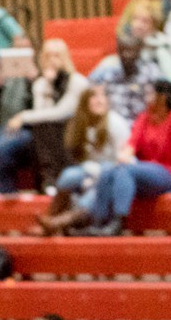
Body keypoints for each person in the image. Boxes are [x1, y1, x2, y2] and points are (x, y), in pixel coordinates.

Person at [79, 80, 171, 236]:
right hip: (149, 172)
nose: (146, 98)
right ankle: (99, 221)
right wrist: (124, 155)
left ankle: (119, 222)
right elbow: (132, 144)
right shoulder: (145, 118)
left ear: (162, 97)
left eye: (150, 94)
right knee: (108, 171)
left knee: (125, 171)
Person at [0, 38, 84, 197]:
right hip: (5, 127)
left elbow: (45, 115)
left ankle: (6, 194)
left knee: (1, 147)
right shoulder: (9, 77)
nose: (52, 60)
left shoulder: (45, 79)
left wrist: (35, 80)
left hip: (32, 132)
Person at [39, 84, 132, 234]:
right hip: (89, 169)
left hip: (111, 172)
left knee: (91, 193)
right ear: (85, 101)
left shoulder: (115, 123)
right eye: (94, 96)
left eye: (103, 96)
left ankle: (58, 222)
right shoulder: (80, 124)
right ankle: (51, 216)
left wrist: (95, 179)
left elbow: (125, 158)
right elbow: (79, 156)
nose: (99, 100)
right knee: (68, 176)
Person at [90, 0, 171, 121]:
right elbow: (91, 85)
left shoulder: (162, 50)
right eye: (135, 19)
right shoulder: (112, 62)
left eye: (145, 21)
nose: (138, 25)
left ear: (154, 25)